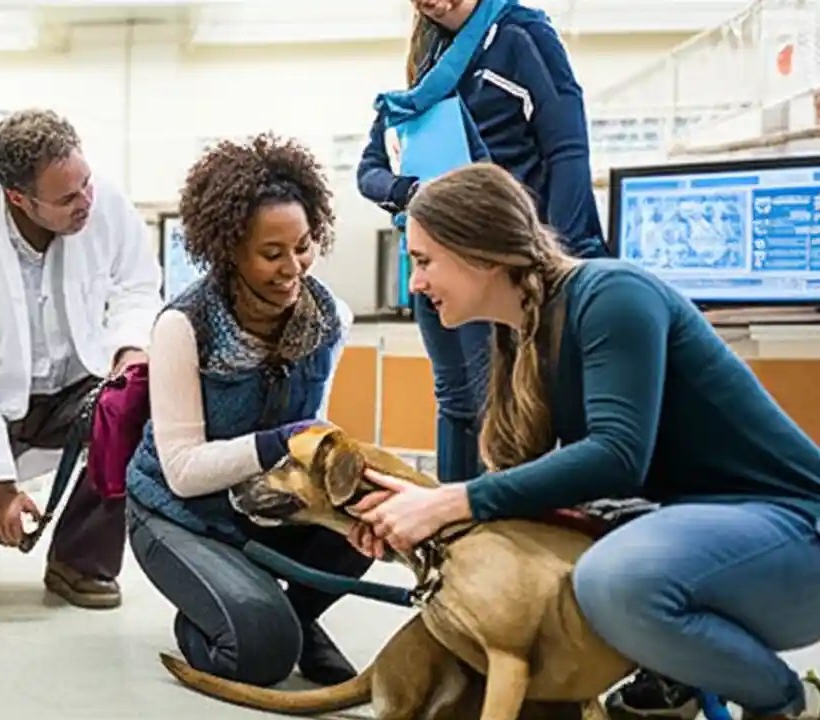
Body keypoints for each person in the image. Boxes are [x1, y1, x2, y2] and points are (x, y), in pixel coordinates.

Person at [347, 162, 820, 720]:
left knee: (613, 581)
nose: (416, 284)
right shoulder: (523, 337)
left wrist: (449, 500)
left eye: (423, 261)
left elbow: (617, 455)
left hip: (795, 528)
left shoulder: (611, 294)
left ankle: (791, 704)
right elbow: (530, 490)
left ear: (483, 253)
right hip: (709, 536)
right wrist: (404, 516)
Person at [124, 133, 373, 688]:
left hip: (263, 505)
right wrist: (279, 441)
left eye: (304, 246)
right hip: (179, 513)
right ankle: (227, 618)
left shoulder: (331, 319)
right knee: (260, 658)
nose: (294, 268)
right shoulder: (181, 328)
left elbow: (312, 441)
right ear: (229, 248)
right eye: (271, 253)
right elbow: (184, 474)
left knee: (369, 512)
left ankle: (299, 616)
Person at [0, 108, 162, 611]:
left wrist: (130, 345)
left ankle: (79, 562)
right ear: (18, 198)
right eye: (67, 198)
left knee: (137, 414)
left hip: (75, 388)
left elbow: (137, 283)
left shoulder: (103, 203)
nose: (85, 201)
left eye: (85, 182)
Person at [356, 0, 607, 487]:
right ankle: (452, 538)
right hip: (437, 257)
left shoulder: (520, 34)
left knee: (505, 406)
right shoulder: (427, 66)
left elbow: (567, 149)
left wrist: (563, 260)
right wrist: (409, 192)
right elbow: (370, 170)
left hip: (500, 262)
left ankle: (507, 534)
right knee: (456, 402)